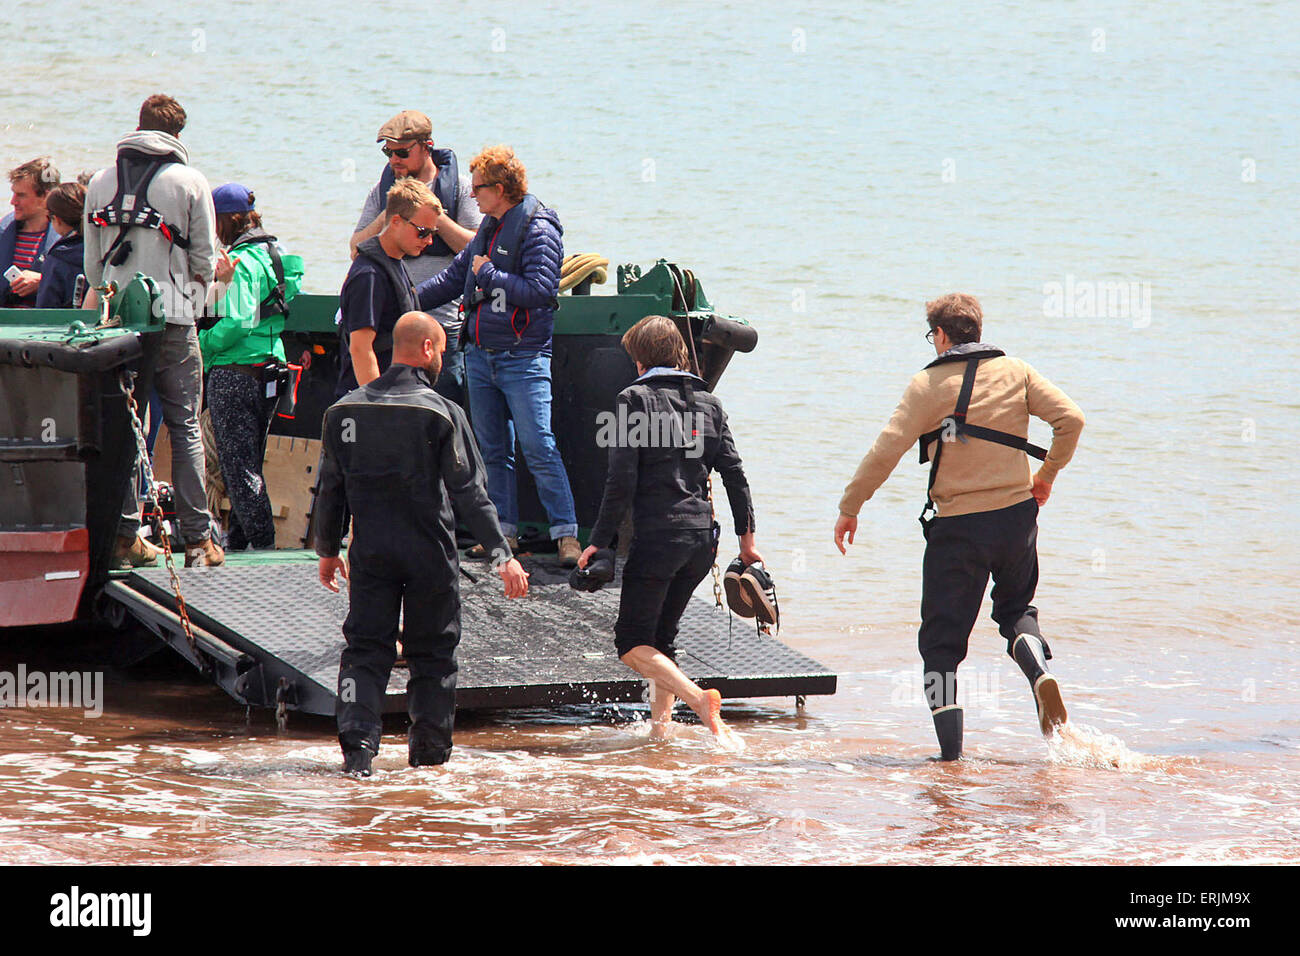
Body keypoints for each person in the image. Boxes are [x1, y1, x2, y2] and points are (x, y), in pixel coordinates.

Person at [833, 294, 1085, 761]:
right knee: (1015, 612)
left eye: (933, 335)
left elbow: (887, 449)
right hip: (1015, 519)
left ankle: (950, 759)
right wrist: (1045, 477)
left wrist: (852, 505)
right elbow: (1071, 419)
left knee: (941, 645)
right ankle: (1038, 673)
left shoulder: (928, 384)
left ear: (942, 335)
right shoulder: (1017, 371)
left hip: (957, 529)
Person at [316, 311, 530, 776]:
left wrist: (328, 550)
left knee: (364, 652)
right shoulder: (441, 411)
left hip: (370, 553)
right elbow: (470, 493)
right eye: (442, 349)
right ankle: (428, 768)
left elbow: (331, 488)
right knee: (432, 656)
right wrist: (502, 555)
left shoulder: (344, 410)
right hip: (429, 553)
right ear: (429, 349)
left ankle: (357, 756)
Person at [578, 315, 761, 741]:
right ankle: (660, 735)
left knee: (631, 644)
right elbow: (735, 474)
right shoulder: (709, 403)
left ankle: (698, 700)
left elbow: (619, 481)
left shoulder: (633, 399)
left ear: (640, 358)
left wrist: (598, 543)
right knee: (662, 638)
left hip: (659, 537)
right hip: (701, 541)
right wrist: (748, 543)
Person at [416, 145, 581, 566]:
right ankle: (503, 533)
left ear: (501, 189)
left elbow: (541, 291)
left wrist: (488, 274)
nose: (471, 196)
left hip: (522, 357)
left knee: (538, 445)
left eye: (478, 188)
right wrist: (405, 298)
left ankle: (566, 534)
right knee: (492, 450)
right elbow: (454, 279)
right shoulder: (489, 228)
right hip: (480, 355)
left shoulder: (538, 228)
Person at [84, 94, 221, 569]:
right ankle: (199, 540)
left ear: (137, 127)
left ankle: (125, 536)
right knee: (184, 424)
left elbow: (92, 264)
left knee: (127, 426)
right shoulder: (189, 181)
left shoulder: (100, 181)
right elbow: (204, 257)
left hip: (119, 323)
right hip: (176, 318)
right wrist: (202, 293)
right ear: (178, 137)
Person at [349, 110, 481, 405]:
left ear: (426, 146)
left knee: (443, 413)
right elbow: (356, 247)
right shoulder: (382, 192)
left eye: (402, 152)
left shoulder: (459, 188)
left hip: (442, 330)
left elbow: (474, 248)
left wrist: (432, 215)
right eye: (388, 152)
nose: (394, 160)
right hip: (397, 335)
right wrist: (396, 209)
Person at [199, 183, 305, 552]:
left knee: (237, 468)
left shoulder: (241, 262)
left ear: (225, 220)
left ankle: (262, 545)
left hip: (235, 371)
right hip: (270, 368)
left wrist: (202, 346)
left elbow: (238, 321)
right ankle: (239, 539)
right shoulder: (274, 254)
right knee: (251, 460)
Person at [336, 178, 441, 397]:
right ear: (395, 222)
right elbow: (360, 348)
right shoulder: (369, 275)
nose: (429, 240)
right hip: (368, 404)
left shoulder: (395, 263)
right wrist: (378, 407)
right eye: (422, 231)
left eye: (433, 233)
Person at [1, 158, 60, 307]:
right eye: (13, 194)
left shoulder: (70, 240)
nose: (13, 201)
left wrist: (44, 281)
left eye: (21, 195)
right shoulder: (4, 232)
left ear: (45, 197)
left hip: (43, 324)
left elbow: (85, 283)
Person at [34, 182, 85, 309]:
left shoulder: (57, 259)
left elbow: (45, 310)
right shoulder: (104, 249)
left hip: (67, 326)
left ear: (57, 219)